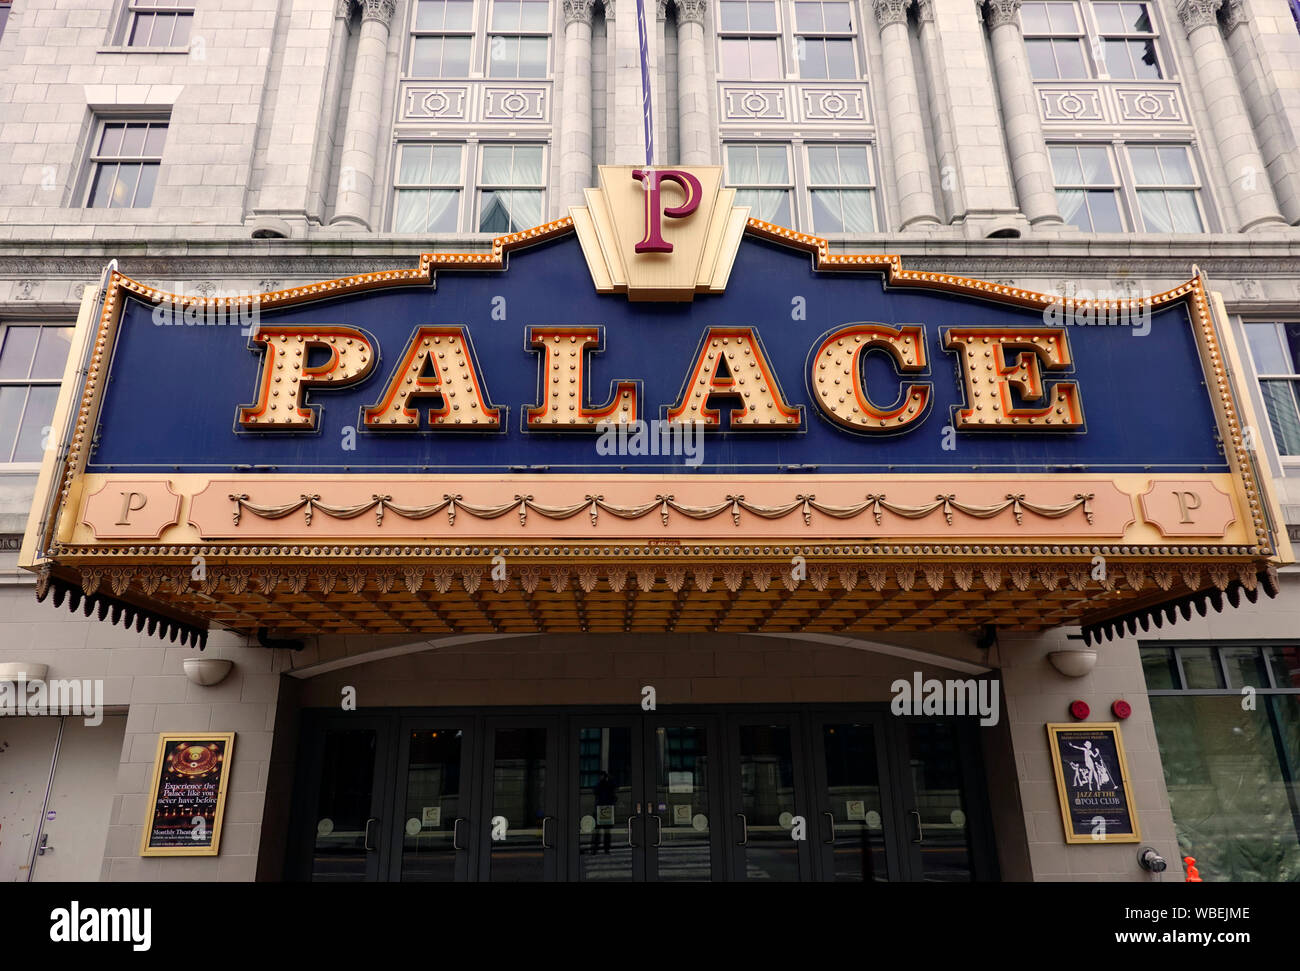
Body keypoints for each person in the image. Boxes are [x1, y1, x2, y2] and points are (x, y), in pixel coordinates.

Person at [590, 771, 618, 855]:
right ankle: (604, 849)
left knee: (598, 832)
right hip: (606, 809)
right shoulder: (608, 784)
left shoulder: (600, 785)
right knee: (605, 832)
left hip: (601, 808)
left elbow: (595, 791)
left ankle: (595, 849)